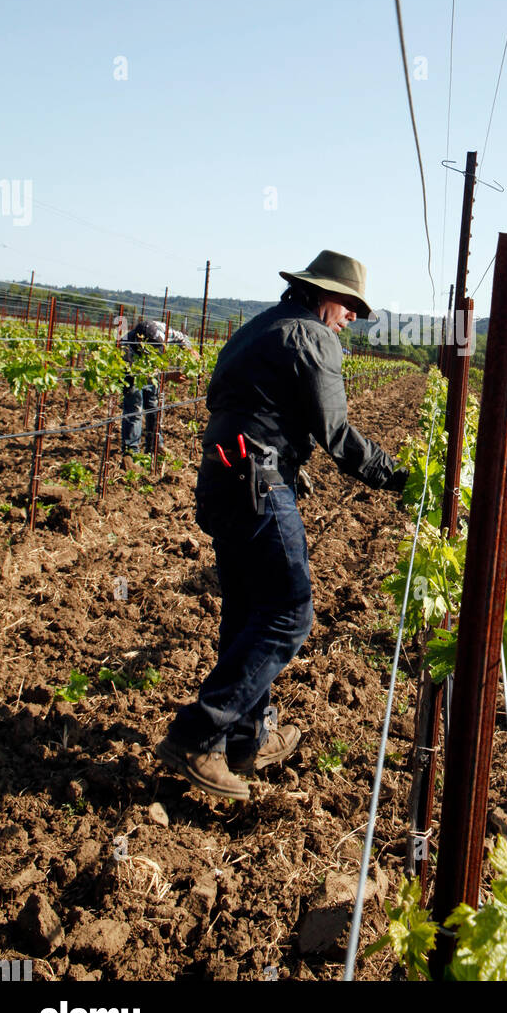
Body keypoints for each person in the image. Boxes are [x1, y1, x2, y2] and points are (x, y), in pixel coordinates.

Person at [156, 250, 408, 801]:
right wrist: (401, 479)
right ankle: (197, 735)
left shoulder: (256, 329)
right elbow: (338, 437)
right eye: (350, 308)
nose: (353, 319)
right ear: (326, 297)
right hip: (257, 486)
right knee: (290, 613)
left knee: (248, 612)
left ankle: (247, 739)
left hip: (223, 479)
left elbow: (235, 406)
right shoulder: (313, 337)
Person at [119, 316, 192, 455]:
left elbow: (182, 338)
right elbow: (140, 376)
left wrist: (189, 350)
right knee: (135, 410)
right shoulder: (125, 349)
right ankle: (131, 453)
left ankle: (155, 446)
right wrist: (167, 376)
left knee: (155, 406)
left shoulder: (163, 331)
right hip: (134, 374)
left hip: (152, 370)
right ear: (141, 342)